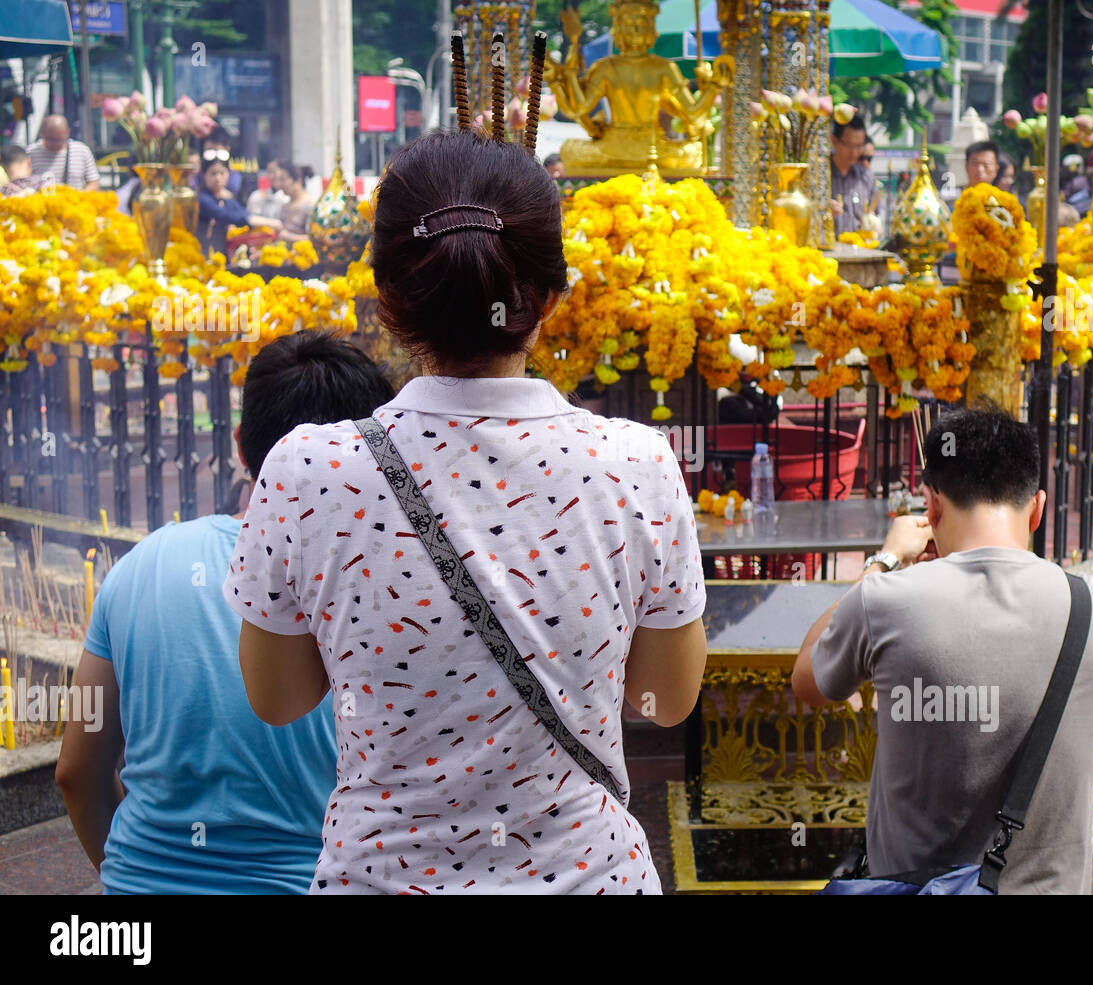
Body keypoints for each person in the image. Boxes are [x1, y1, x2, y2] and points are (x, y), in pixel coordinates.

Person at [224, 127, 709, 895]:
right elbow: (665, 697)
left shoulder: (308, 469)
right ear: (550, 296)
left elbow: (278, 698)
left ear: (386, 298)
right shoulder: (635, 465)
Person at [56, 331, 397, 894]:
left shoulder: (142, 565)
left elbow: (76, 771)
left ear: (239, 446)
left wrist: (130, 876)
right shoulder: (384, 585)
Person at [791, 406, 1093, 894]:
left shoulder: (885, 602)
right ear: (1037, 508)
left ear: (931, 508)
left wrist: (883, 563)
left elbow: (807, 681)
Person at [196, 156, 281, 256]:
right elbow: (228, 215)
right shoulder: (202, 199)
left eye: (222, 173)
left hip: (222, 254)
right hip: (203, 253)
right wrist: (269, 222)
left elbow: (242, 213)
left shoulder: (227, 200)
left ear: (228, 175)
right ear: (204, 175)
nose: (218, 178)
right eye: (213, 173)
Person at [830, 113, 878, 237]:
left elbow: (875, 213)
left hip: (860, 250)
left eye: (859, 146)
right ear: (835, 141)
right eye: (849, 145)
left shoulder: (867, 177)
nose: (854, 152)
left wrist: (873, 224)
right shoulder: (820, 176)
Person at [26, 114, 99, 190]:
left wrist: (80, 196)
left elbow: (93, 182)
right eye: (50, 139)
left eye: (59, 140)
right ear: (42, 134)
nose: (55, 144)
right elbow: (22, 183)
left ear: (67, 133)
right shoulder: (30, 153)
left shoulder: (82, 151)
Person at [270, 161, 315, 242]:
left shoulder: (309, 206)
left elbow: (315, 238)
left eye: (283, 179)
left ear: (298, 181)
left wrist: (289, 236)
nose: (280, 185)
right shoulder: (285, 205)